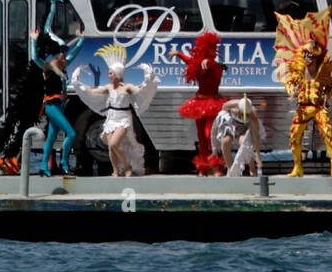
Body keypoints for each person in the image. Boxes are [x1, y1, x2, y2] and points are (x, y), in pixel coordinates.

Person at [71, 44, 159, 176]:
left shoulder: (127, 87)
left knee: (113, 143)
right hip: (111, 117)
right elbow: (92, 91)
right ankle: (116, 170)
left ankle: (127, 167)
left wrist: (147, 77)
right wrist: (78, 82)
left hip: (123, 118)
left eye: (111, 73)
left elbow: (141, 90)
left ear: (117, 74)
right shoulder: (108, 87)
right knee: (111, 148)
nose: (109, 75)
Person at [274, 8, 332, 177]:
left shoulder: (322, 72)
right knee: (295, 136)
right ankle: (297, 167)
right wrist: (291, 91)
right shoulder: (298, 71)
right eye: (306, 55)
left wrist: (326, 97)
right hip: (302, 108)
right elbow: (289, 82)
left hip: (318, 108)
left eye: (311, 56)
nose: (308, 58)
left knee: (327, 133)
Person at [30, 23, 85, 176]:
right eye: (63, 52)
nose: (65, 55)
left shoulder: (62, 66)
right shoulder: (48, 67)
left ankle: (43, 167)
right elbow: (35, 58)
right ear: (57, 53)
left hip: (60, 105)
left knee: (52, 137)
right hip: (51, 106)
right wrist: (34, 40)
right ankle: (65, 163)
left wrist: (80, 40)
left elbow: (75, 53)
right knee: (72, 134)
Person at [171, 32, 227, 174]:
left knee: (210, 135)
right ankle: (203, 166)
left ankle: (217, 165)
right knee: (201, 136)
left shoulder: (216, 66)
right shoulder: (198, 64)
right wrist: (177, 53)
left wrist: (208, 62)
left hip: (213, 102)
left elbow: (214, 66)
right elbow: (190, 61)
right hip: (199, 101)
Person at [0, 56, 44, 175]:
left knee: (20, 133)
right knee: (17, 132)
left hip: (29, 107)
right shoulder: (37, 72)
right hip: (27, 106)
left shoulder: (32, 78)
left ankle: (8, 159)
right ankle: (6, 159)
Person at [210, 96, 264, 177]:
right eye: (241, 113)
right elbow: (222, 110)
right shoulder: (231, 105)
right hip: (231, 125)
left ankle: (252, 168)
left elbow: (256, 137)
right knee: (225, 141)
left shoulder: (253, 116)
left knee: (245, 144)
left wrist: (258, 156)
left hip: (244, 128)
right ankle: (229, 167)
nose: (242, 115)